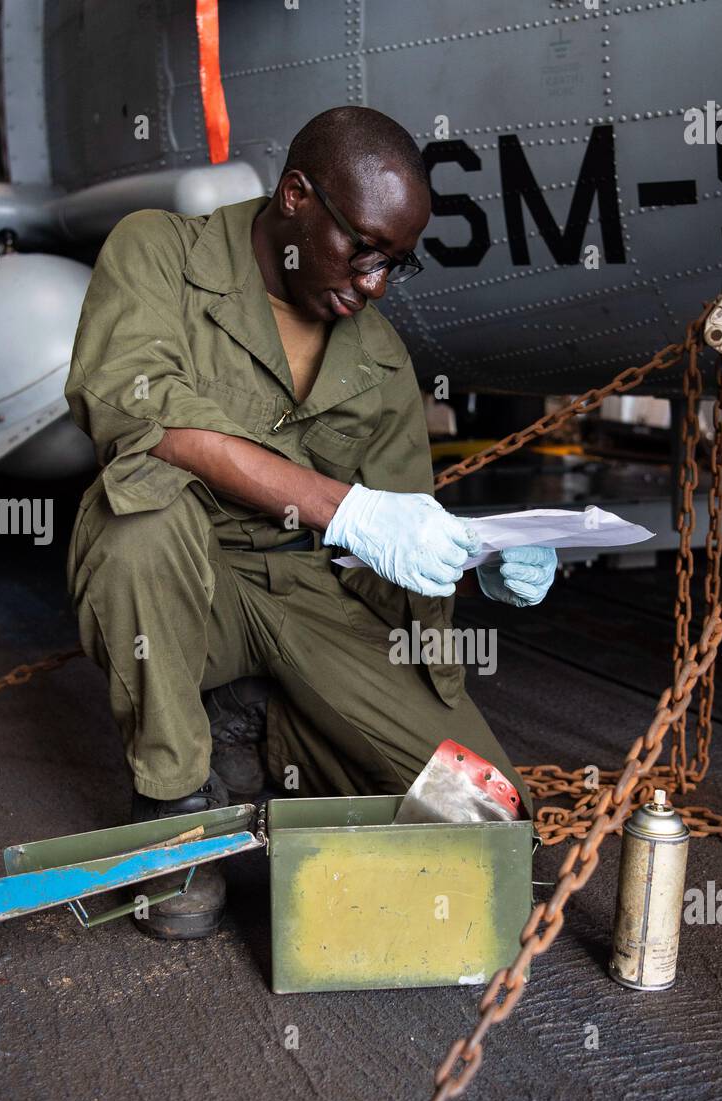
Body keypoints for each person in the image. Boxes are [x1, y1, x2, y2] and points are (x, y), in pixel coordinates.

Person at [65, 106, 557, 940]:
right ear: (295, 196)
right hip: (189, 577)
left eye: (396, 265)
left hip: (311, 586)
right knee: (135, 527)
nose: (373, 284)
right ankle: (174, 803)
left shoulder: (380, 355)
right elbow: (142, 420)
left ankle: (253, 732)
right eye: (364, 248)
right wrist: (350, 509)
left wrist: (475, 561)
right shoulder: (160, 253)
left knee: (488, 820)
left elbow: (395, 530)